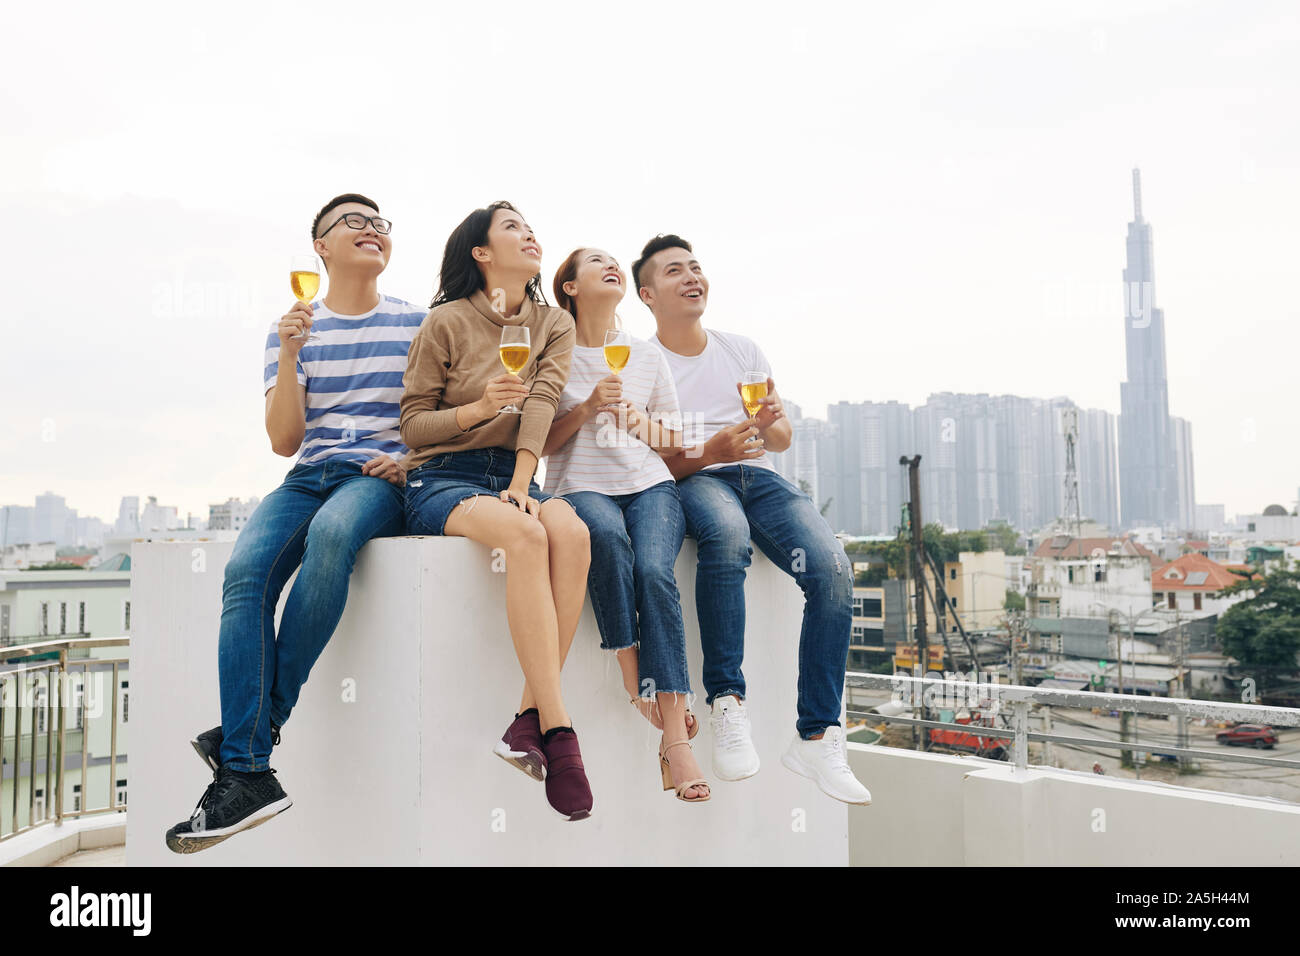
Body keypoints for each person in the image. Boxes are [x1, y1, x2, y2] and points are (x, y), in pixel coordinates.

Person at [166, 194, 426, 853]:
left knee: (332, 539)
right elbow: (284, 441)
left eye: (380, 224)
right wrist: (288, 354)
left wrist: (411, 460)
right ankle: (249, 768)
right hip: (309, 474)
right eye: (354, 223)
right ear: (321, 247)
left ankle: (245, 745)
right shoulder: (291, 328)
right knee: (245, 574)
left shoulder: (418, 324)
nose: (372, 230)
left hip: (376, 479)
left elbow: (443, 411)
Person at [632, 233, 871, 805]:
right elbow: (647, 456)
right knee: (728, 537)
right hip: (695, 479)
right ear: (647, 293)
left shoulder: (741, 350)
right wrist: (713, 448)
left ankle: (817, 733)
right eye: (674, 272)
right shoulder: (642, 361)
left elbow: (781, 438)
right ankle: (726, 703)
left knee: (833, 571)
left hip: (759, 478)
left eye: (696, 267)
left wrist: (764, 422)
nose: (692, 277)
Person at [401, 202, 594, 821]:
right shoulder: (446, 323)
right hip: (442, 477)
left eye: (530, 225)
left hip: (511, 474)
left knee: (569, 529)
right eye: (512, 227)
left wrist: (519, 483)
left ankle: (524, 722)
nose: (529, 233)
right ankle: (558, 731)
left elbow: (540, 402)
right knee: (526, 536)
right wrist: (480, 408)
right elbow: (413, 427)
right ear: (481, 253)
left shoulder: (551, 322)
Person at [542, 247, 708, 803]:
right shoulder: (553, 355)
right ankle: (629, 664)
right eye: (595, 261)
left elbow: (675, 441)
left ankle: (675, 733)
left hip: (649, 484)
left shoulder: (644, 355)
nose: (611, 264)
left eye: (615, 260)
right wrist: (588, 407)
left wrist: (637, 422)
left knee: (658, 570)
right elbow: (539, 442)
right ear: (569, 287)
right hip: (580, 487)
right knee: (607, 542)